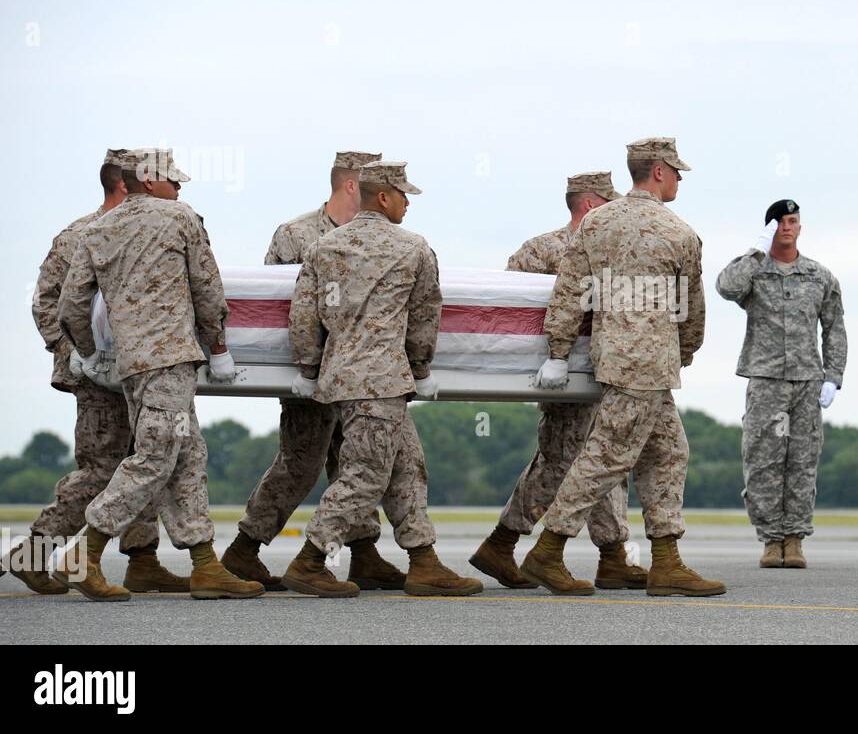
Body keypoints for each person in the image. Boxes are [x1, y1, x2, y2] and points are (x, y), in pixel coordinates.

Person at [55, 148, 262, 601]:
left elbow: (70, 305)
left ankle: (205, 564)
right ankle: (83, 553)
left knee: (187, 456)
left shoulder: (97, 229)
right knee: (153, 458)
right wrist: (220, 346)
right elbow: (207, 287)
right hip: (169, 360)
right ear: (148, 180)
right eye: (173, 180)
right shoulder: (179, 218)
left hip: (130, 365)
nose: (180, 187)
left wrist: (89, 353)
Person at [522, 137, 724, 597]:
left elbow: (569, 291)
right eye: (676, 172)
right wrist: (686, 352)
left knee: (668, 451)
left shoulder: (596, 223)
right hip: (651, 362)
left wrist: (558, 352)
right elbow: (690, 310)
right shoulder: (680, 232)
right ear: (657, 171)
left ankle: (667, 559)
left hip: (614, 358)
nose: (679, 180)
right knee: (605, 458)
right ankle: (547, 551)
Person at [0, 150, 181, 595]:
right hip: (96, 374)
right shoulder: (79, 235)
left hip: (139, 366)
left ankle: (142, 559)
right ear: (127, 184)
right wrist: (76, 353)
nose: (176, 191)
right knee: (102, 467)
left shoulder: (157, 230)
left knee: (147, 458)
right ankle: (33, 552)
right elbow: (46, 302)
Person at [284, 160, 481, 598]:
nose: (409, 204)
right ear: (384, 197)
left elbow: (304, 317)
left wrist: (310, 367)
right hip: (382, 381)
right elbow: (424, 319)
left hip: (339, 379)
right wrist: (420, 369)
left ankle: (423, 561)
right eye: (404, 195)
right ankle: (311, 559)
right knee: (365, 476)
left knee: (408, 466)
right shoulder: (412, 248)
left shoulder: (325, 247)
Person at [222, 150, 405, 592]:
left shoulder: (383, 238)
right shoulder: (296, 235)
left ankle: (363, 554)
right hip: (310, 372)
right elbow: (278, 308)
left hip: (361, 372)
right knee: (301, 464)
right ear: (352, 185)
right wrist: (301, 369)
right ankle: (244, 550)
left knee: (358, 462)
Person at [469, 171, 646, 590]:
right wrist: (550, 360)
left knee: (599, 462)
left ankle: (608, 554)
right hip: (560, 377)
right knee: (568, 461)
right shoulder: (542, 250)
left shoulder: (611, 249)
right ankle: (508, 543)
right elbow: (508, 307)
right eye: (608, 203)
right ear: (589, 205)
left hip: (601, 372)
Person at [715, 199, 847, 568]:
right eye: (779, 223)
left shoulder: (820, 276)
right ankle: (771, 539)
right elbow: (726, 287)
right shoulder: (754, 273)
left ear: (800, 227)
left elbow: (835, 329)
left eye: (792, 221)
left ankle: (795, 539)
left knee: (803, 462)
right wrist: (755, 251)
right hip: (766, 379)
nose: (786, 228)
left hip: (807, 381)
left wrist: (834, 377)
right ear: (770, 228)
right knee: (762, 461)